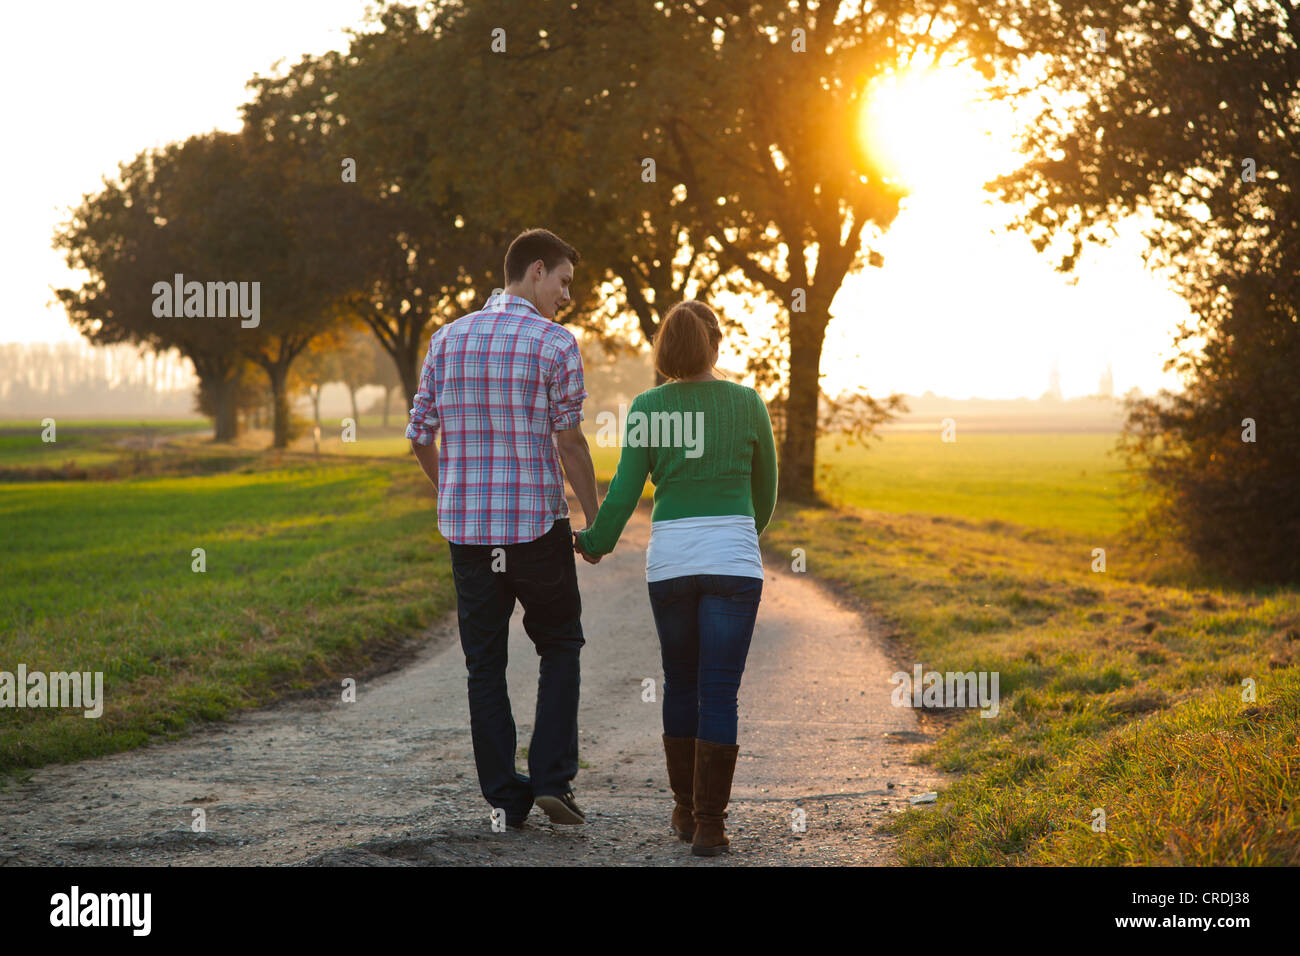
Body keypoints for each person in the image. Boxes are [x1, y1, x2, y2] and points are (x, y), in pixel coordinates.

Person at [407, 228, 600, 828]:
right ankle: (552, 780)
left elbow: (419, 435)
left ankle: (504, 796)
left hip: (469, 537)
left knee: (484, 663)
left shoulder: (447, 339)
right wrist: (593, 518)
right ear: (536, 270)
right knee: (560, 645)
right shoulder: (555, 344)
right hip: (536, 531)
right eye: (564, 282)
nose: (566, 295)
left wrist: (455, 492)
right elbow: (568, 443)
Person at [575, 300, 778, 855]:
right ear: (716, 343)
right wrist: (736, 536)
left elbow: (622, 492)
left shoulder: (646, 408)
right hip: (733, 563)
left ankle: (686, 812)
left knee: (682, 683)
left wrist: (594, 543)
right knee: (719, 692)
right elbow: (767, 495)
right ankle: (711, 825)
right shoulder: (747, 402)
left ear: (666, 348)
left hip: (670, 565)